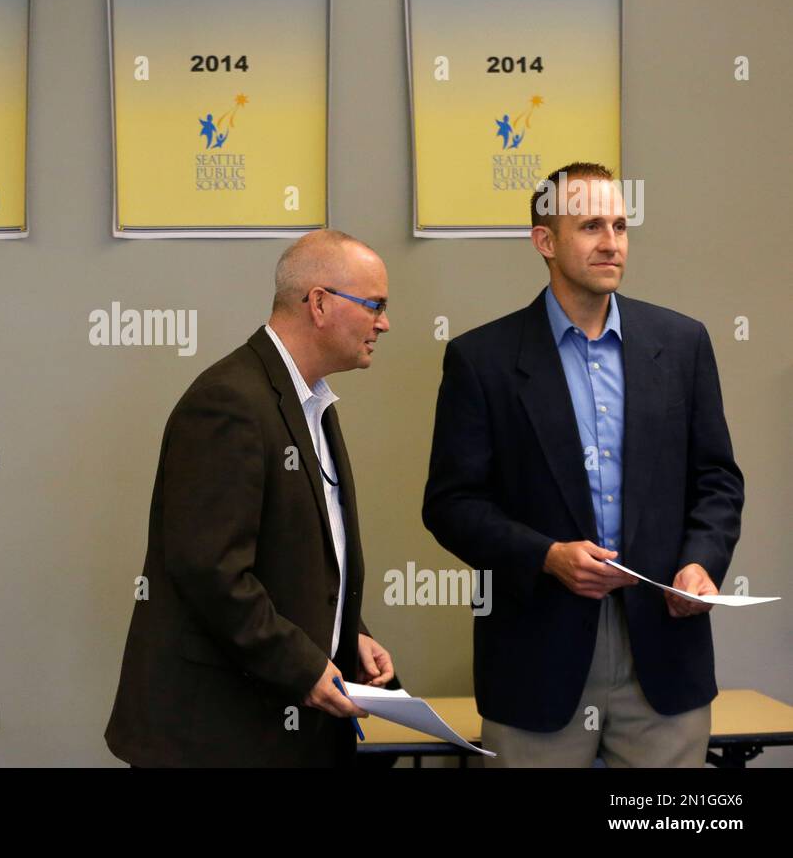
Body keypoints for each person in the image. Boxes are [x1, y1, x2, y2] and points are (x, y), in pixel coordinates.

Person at [422, 162, 743, 767]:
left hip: (665, 648)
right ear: (545, 241)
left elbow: (717, 480)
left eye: (621, 225)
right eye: (591, 225)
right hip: (537, 654)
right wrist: (546, 556)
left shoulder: (682, 344)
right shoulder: (481, 360)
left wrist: (702, 561)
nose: (612, 242)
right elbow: (451, 504)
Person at [105, 229, 396, 767]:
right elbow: (210, 571)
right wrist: (304, 665)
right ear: (320, 304)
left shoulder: (312, 404)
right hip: (217, 736)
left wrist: (348, 633)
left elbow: (298, 559)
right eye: (374, 305)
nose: (383, 322)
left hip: (285, 730)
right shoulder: (229, 402)